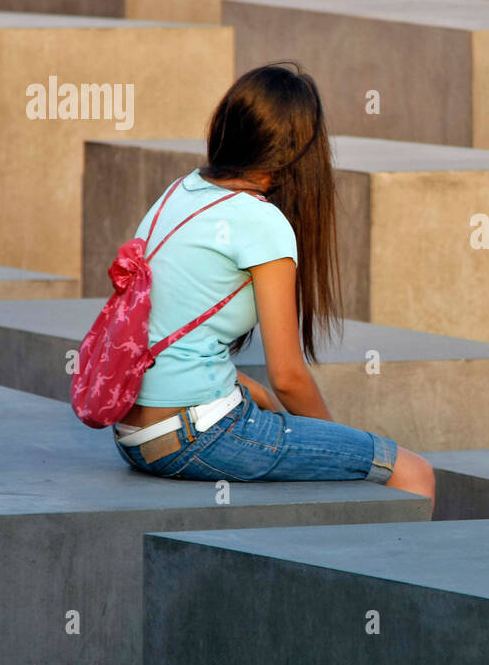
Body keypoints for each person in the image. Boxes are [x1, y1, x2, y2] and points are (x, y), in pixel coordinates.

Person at [110, 62, 435, 503]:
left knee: (260, 396)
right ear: (298, 152)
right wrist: (339, 442)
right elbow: (288, 378)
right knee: (411, 474)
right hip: (195, 437)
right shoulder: (262, 223)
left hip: (133, 434)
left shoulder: (179, 191)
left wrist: (249, 389)